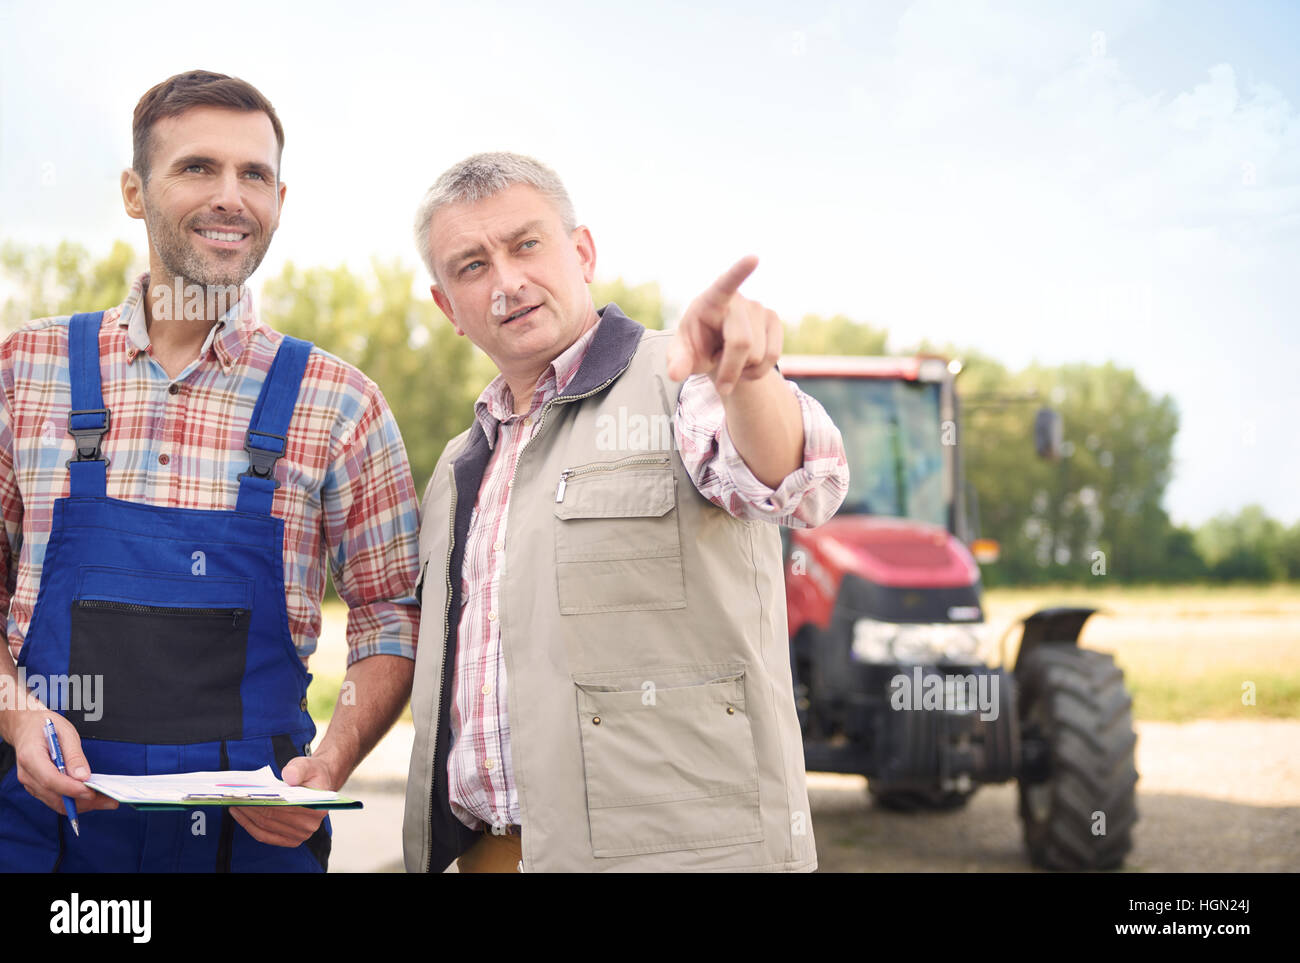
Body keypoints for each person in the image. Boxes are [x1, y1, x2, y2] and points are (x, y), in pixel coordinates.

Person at [0, 70, 420, 872]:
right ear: (134, 190)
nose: (231, 196)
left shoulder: (340, 403)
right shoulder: (27, 370)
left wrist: (330, 765)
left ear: (279, 200)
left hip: (249, 843)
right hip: (46, 831)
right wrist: (20, 718)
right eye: (198, 167)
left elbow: (390, 616)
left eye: (253, 175)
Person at [402, 152, 850, 873]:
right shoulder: (460, 467)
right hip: (495, 856)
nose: (508, 281)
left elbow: (799, 481)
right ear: (448, 307)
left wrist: (750, 378)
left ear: (582, 253)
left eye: (526, 245)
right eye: (472, 265)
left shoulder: (682, 381)